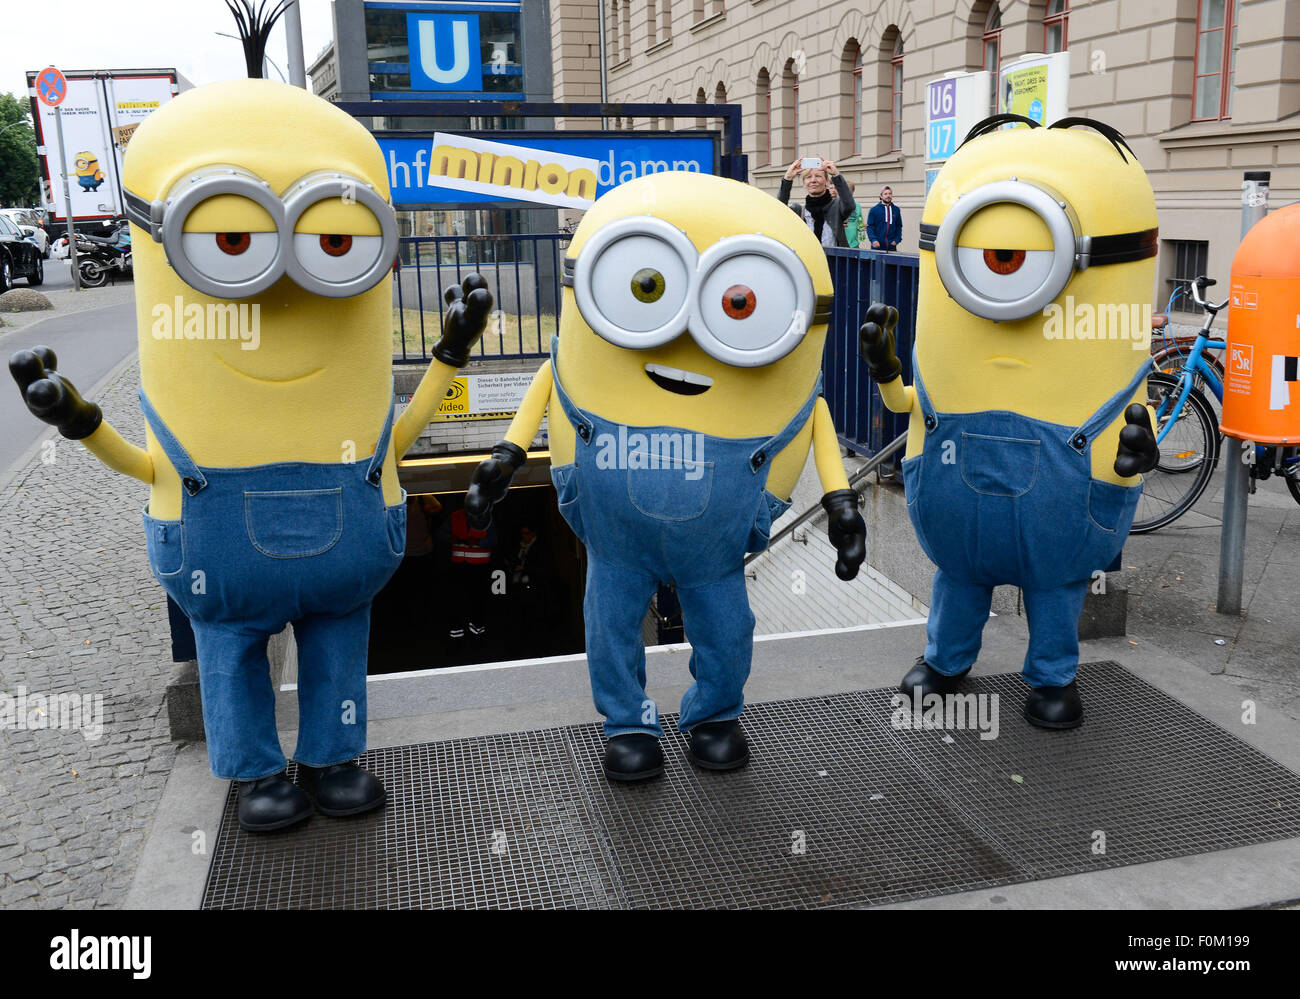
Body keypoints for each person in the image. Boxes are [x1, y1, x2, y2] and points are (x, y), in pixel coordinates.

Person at [777, 156, 855, 248]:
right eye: (808, 177)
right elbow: (779, 210)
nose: (813, 180)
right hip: (807, 261)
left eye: (818, 176)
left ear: (827, 182)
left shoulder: (836, 207)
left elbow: (849, 205)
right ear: (804, 183)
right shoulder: (799, 211)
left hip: (834, 261)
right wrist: (788, 178)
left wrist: (836, 175)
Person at [865, 185, 903, 251]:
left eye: (890, 193)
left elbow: (899, 226)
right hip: (877, 246)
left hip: (892, 247)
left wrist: (897, 240)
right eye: (885, 194)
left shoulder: (896, 210)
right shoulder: (874, 210)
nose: (888, 196)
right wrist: (873, 240)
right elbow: (870, 227)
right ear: (881, 196)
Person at [841, 179, 865, 248]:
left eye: (849, 190)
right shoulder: (838, 204)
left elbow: (860, 221)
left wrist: (861, 229)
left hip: (854, 243)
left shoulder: (857, 205)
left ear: (853, 191)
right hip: (840, 244)